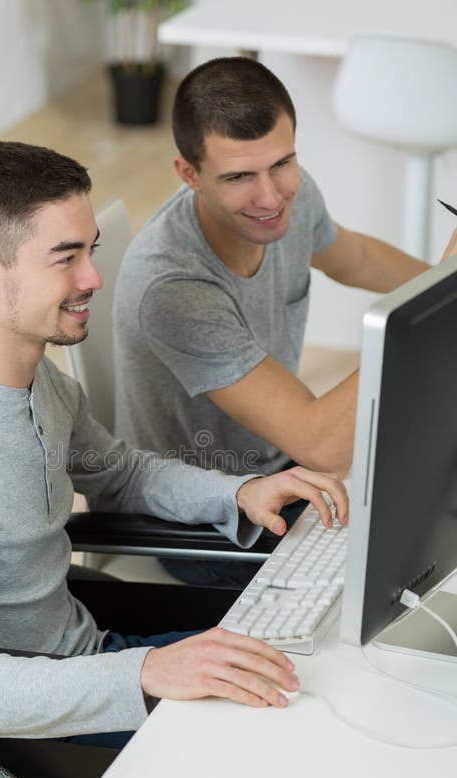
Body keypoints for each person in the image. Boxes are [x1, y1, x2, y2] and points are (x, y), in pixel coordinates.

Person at [0, 141, 348, 747]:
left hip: (91, 660)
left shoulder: (36, 378)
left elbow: (120, 474)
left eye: (90, 250)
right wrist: (146, 670)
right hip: (32, 725)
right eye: (64, 259)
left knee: (320, 668)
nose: (93, 277)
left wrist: (241, 491)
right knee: (297, 729)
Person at [112, 55, 452, 587]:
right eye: (239, 177)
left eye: (281, 163)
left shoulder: (283, 197)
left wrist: (440, 287)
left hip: (283, 472)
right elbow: (322, 446)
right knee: (411, 567)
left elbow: (354, 257)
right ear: (188, 173)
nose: (270, 196)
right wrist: (443, 306)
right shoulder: (173, 288)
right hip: (212, 519)